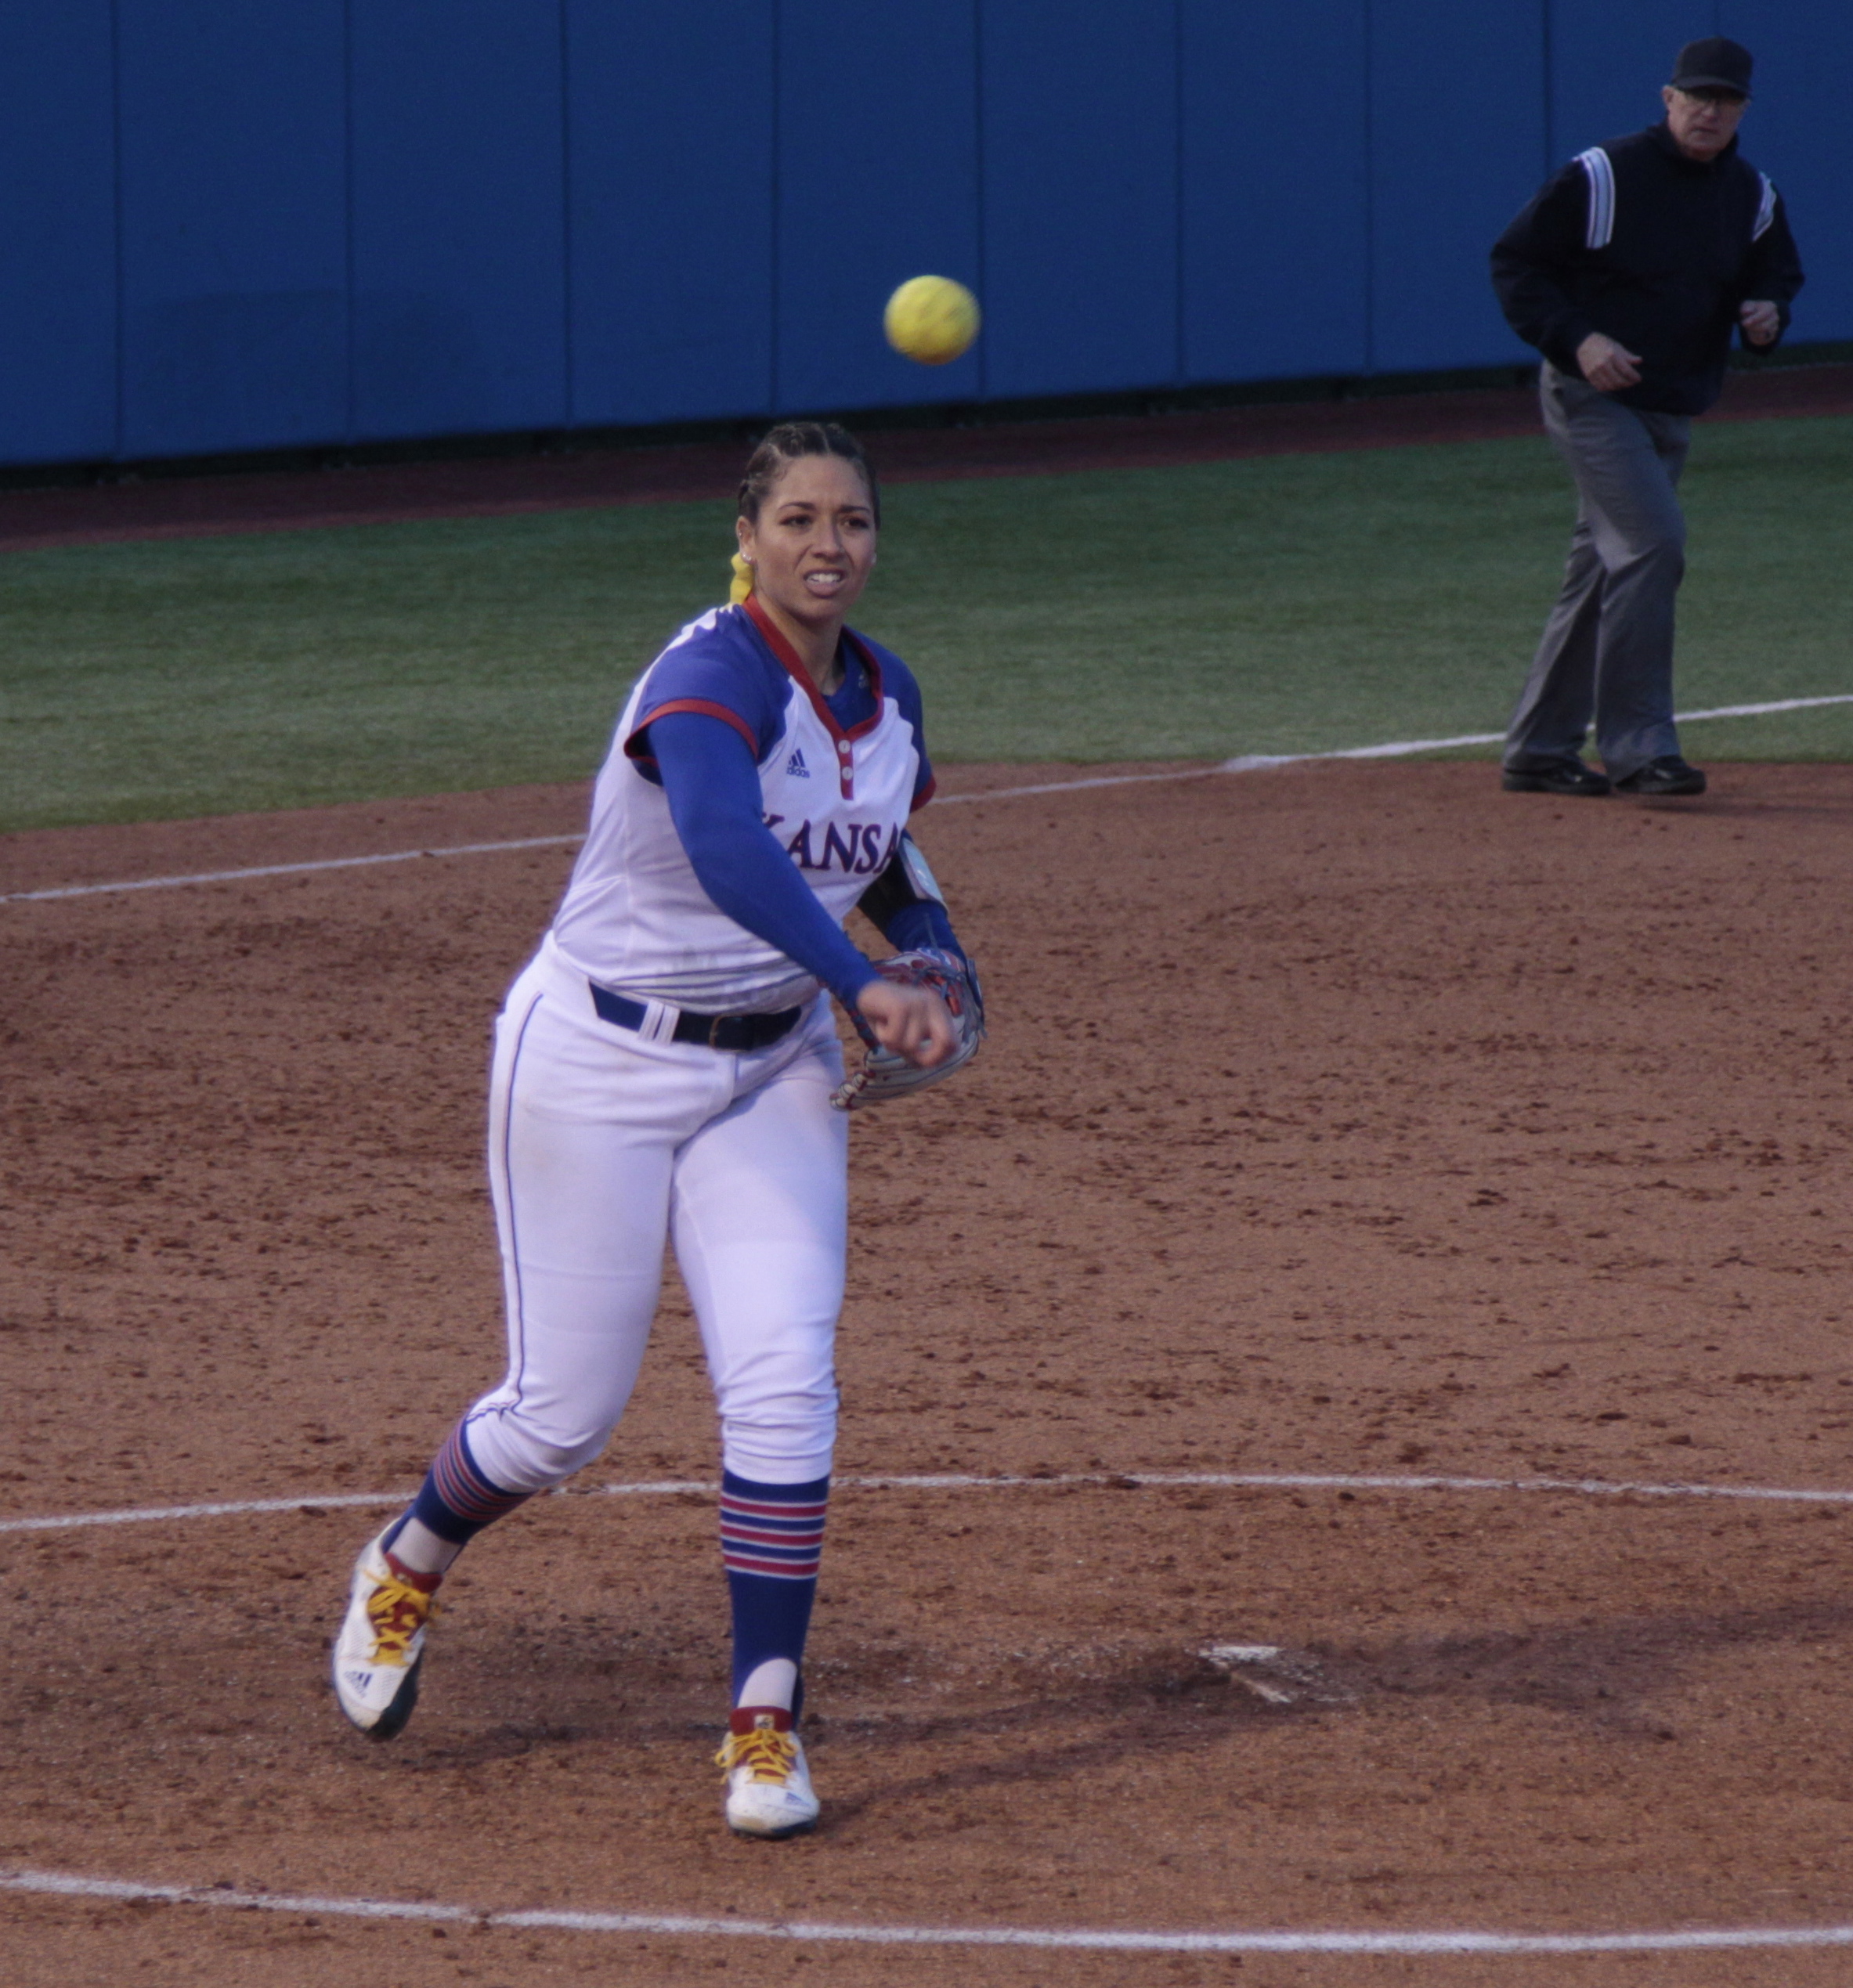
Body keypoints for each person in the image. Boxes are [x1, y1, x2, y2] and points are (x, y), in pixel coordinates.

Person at [331, 420, 980, 1840]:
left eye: (854, 521)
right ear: (745, 538)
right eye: (799, 518)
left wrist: (926, 957)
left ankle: (762, 1721)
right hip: (593, 1060)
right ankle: (411, 1553)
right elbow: (726, 841)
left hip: (774, 1076)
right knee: (563, 1413)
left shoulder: (889, 691)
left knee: (784, 1378)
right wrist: (863, 977)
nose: (829, 544)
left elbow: (890, 858)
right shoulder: (707, 674)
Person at [1490, 36, 1804, 799]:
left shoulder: (1749, 195)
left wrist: (1766, 313)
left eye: (1723, 100)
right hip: (1590, 394)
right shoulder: (1601, 175)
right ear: (1666, 100)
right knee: (1651, 543)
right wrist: (1577, 338)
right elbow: (1516, 263)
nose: (1708, 111)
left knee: (1601, 564)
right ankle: (1640, 750)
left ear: (1742, 111)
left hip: (1669, 402)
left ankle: (1537, 748)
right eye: (1694, 97)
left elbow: (1772, 274)